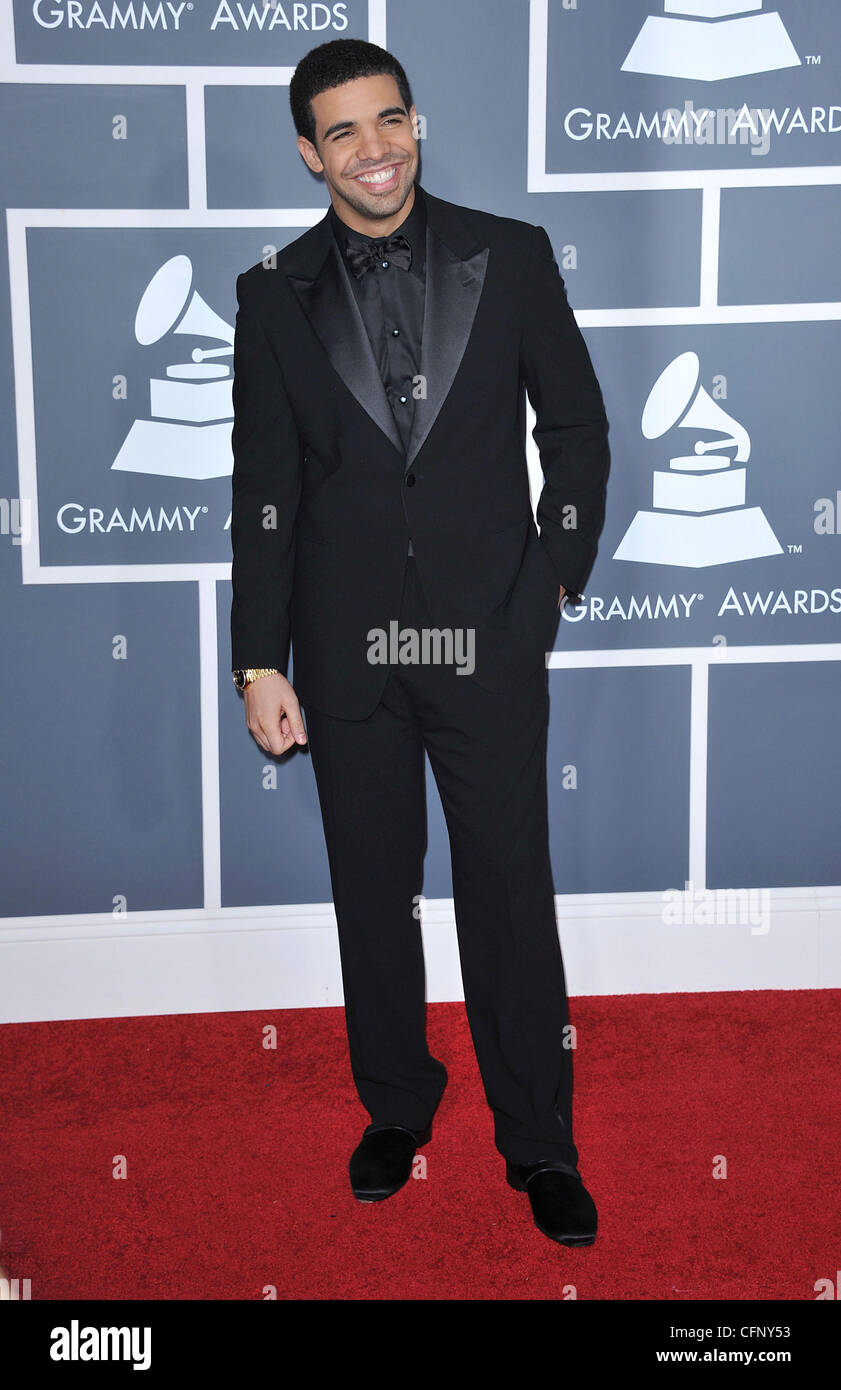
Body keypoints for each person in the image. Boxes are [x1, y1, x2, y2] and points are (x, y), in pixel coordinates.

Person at [230, 38, 609, 1247]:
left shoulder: (513, 253)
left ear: (416, 123)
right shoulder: (270, 294)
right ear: (310, 154)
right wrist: (258, 658)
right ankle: (396, 1103)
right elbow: (266, 491)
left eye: (388, 119)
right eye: (342, 131)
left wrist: (550, 581)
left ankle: (538, 1140)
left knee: (509, 892)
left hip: (484, 635)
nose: (373, 149)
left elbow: (577, 429)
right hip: (347, 649)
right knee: (372, 894)